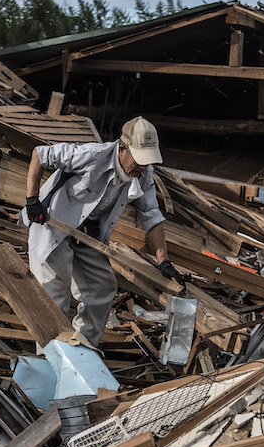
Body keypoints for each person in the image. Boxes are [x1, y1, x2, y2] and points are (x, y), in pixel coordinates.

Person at [23, 116, 172, 348]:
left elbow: (151, 215)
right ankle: (49, 356)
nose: (142, 167)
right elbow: (39, 154)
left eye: (147, 162)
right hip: (54, 225)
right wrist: (32, 200)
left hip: (87, 235)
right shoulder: (91, 155)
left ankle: (82, 348)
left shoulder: (143, 174)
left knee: (102, 287)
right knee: (55, 295)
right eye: (139, 160)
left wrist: (163, 261)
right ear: (122, 149)